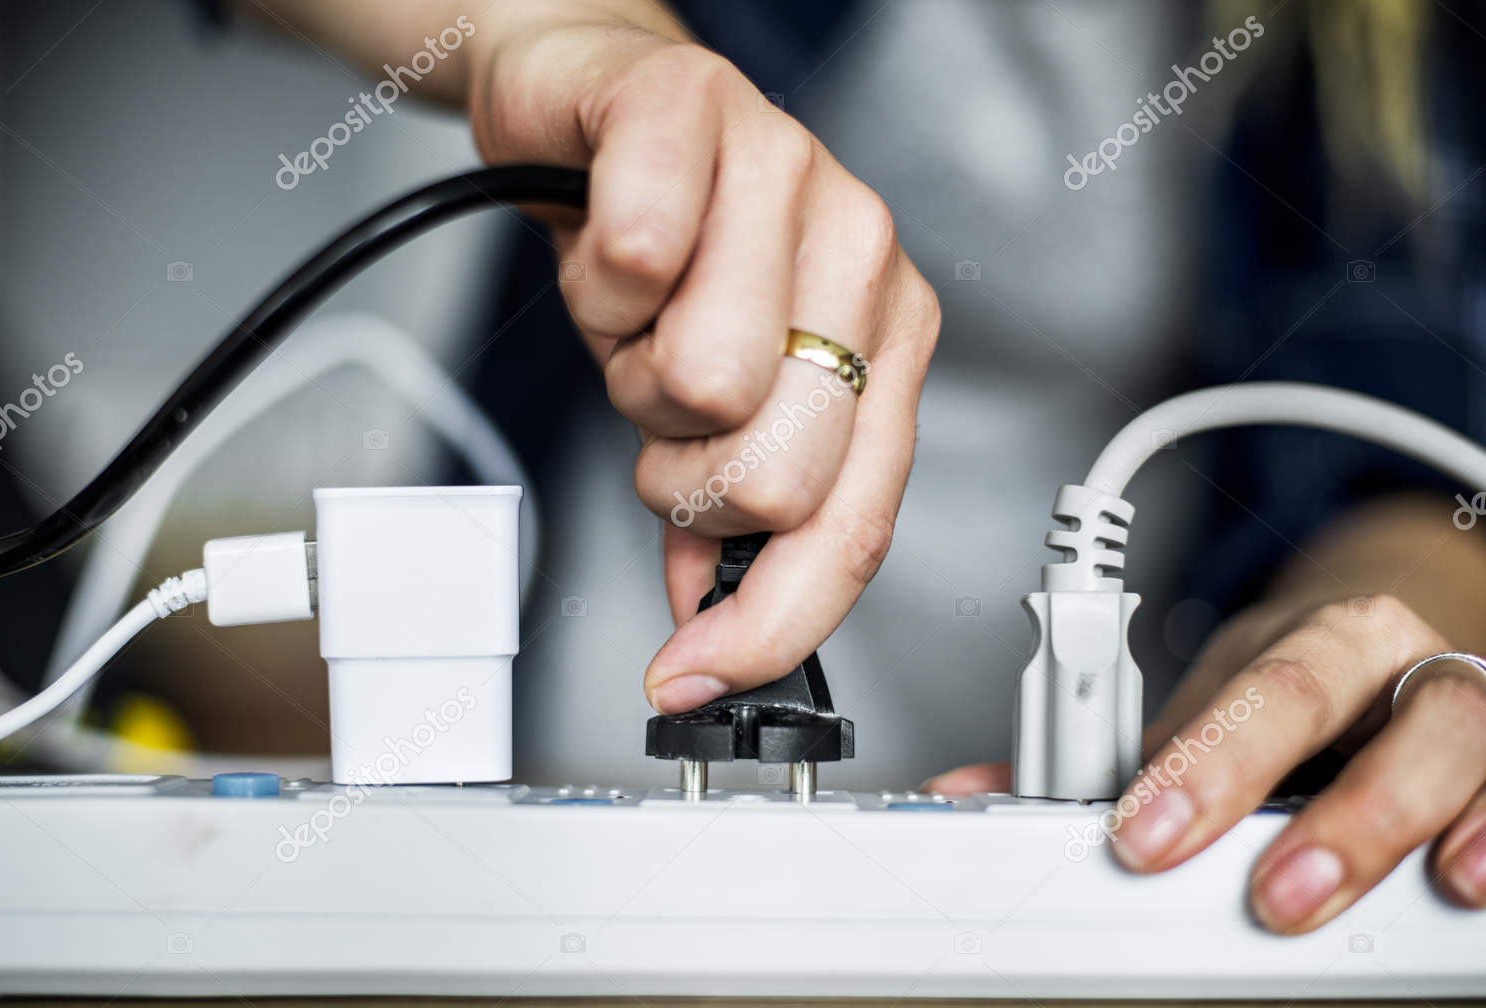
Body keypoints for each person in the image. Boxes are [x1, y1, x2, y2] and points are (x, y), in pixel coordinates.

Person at [254, 0, 1486, 934]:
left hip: (1075, 890)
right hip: (568, 841)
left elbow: (1400, 438)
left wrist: (1384, 630)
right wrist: (575, 36)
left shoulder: (1371, 52)